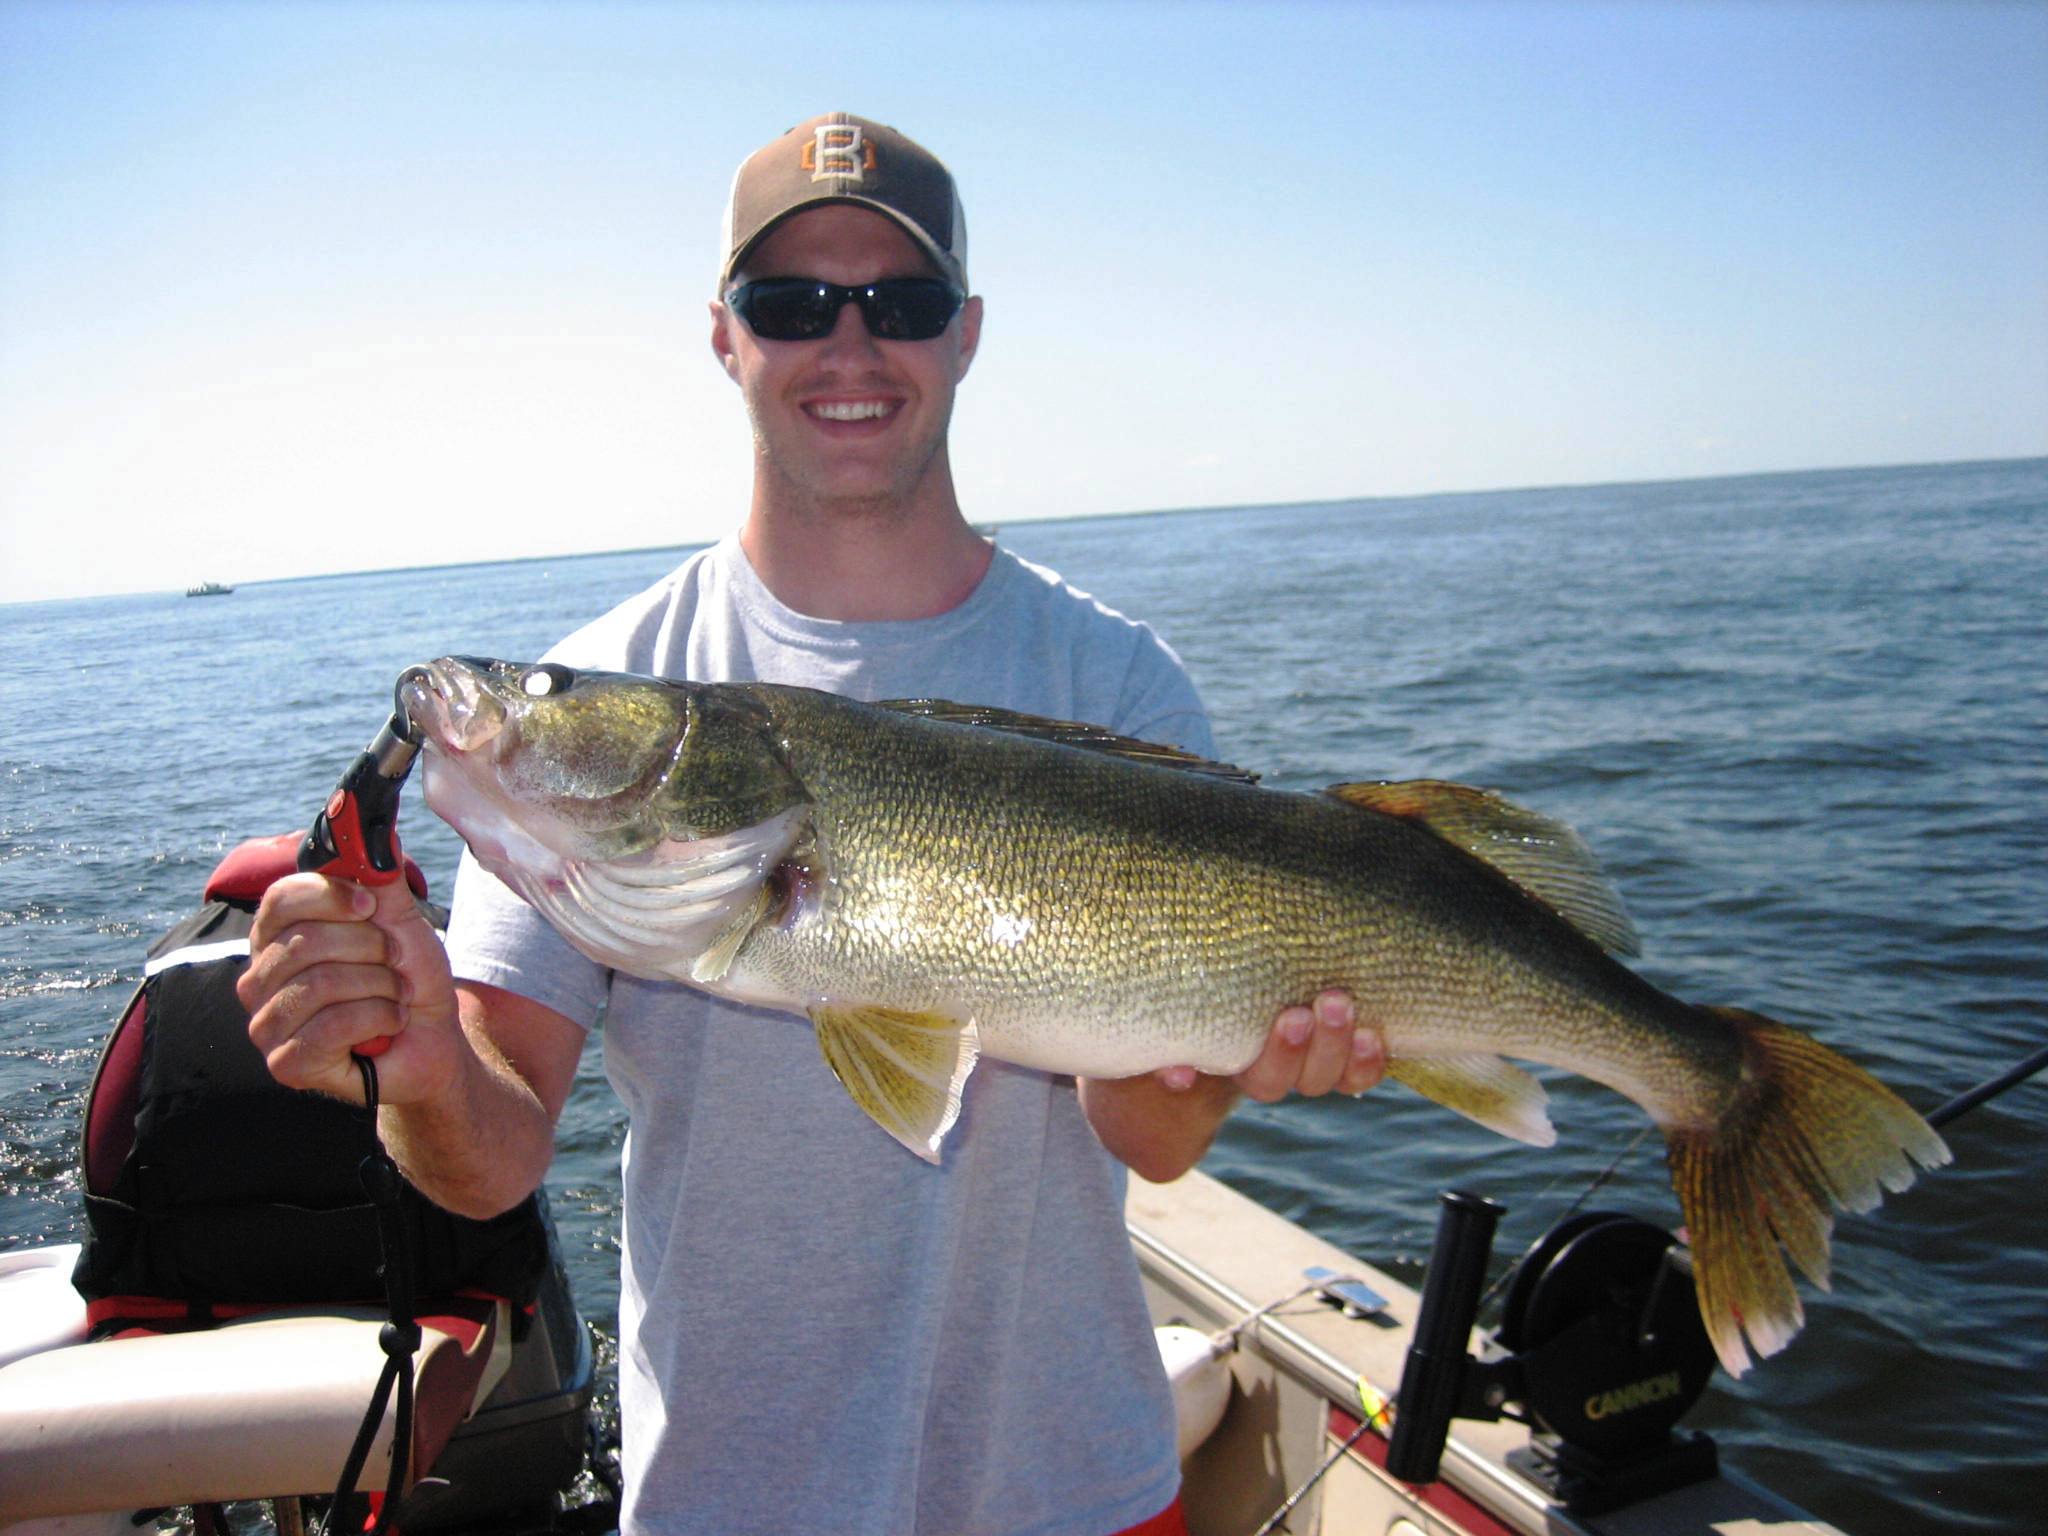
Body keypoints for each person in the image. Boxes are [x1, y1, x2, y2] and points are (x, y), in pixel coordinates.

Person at [239, 113, 1384, 1536]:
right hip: (734, 1496)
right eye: (791, 306)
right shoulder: (612, 699)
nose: (849, 350)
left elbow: (1148, 1136)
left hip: (1072, 1487)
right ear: (726, 338)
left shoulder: (1114, 681)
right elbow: (494, 1155)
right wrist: (416, 1067)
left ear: (964, 336)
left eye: (896, 305)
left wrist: (1248, 1047)